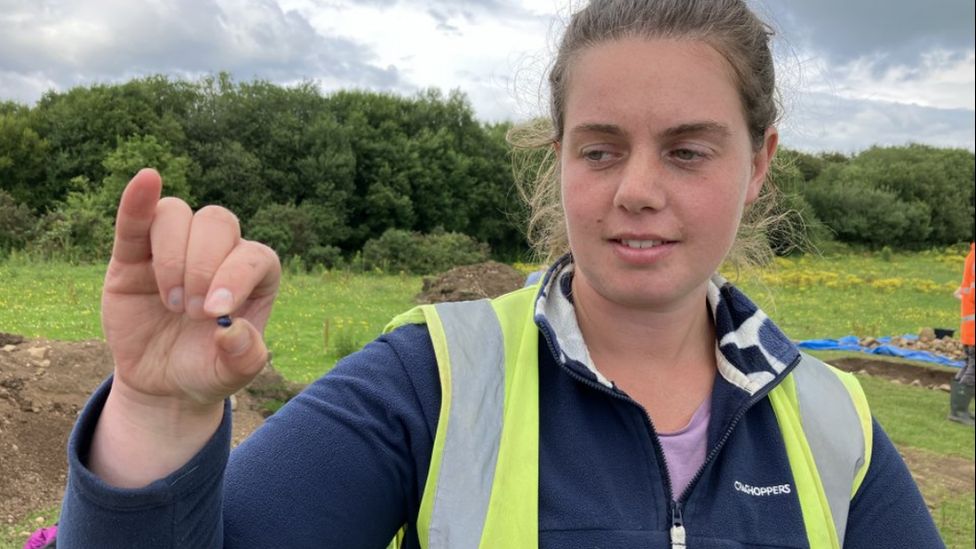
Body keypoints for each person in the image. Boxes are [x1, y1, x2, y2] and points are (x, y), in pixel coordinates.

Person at [57, 1, 943, 547]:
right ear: (557, 158)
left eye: (686, 151)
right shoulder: (433, 380)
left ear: (759, 163)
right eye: (601, 149)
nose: (637, 191)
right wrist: (156, 412)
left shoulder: (838, 426)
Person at [949, 241, 975, 425]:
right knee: (973, 367)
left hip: (970, 324)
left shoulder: (971, 256)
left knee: (969, 364)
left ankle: (959, 409)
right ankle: (959, 412)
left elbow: (961, 291)